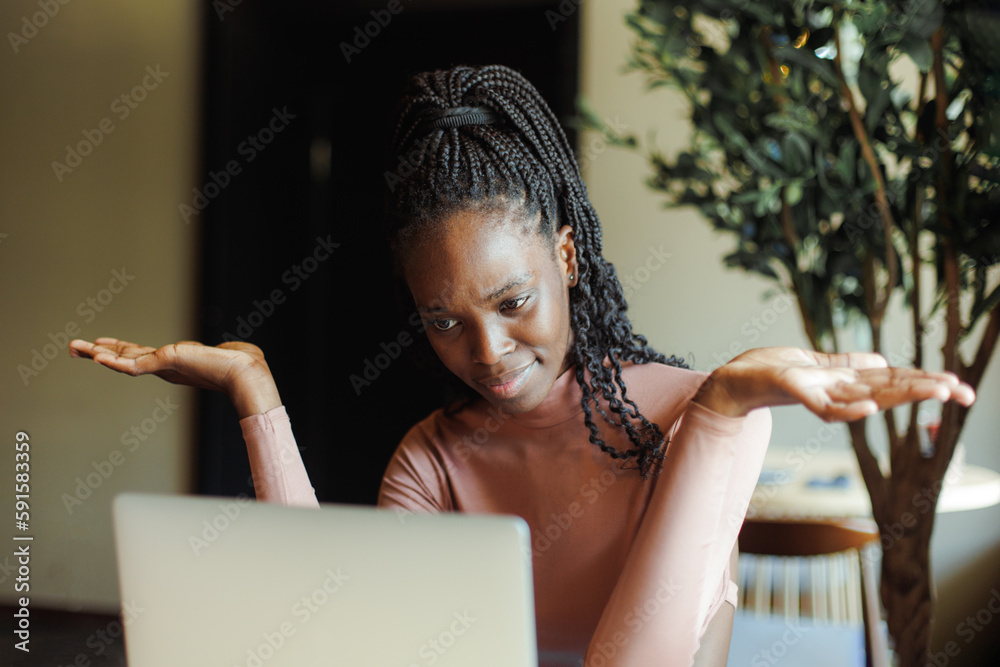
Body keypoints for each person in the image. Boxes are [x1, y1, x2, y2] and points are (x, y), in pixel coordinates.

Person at [69, 64, 975, 667]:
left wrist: (727, 406)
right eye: (443, 321)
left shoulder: (686, 418)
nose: (489, 354)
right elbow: (336, 641)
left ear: (568, 258)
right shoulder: (432, 461)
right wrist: (254, 393)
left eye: (512, 303)